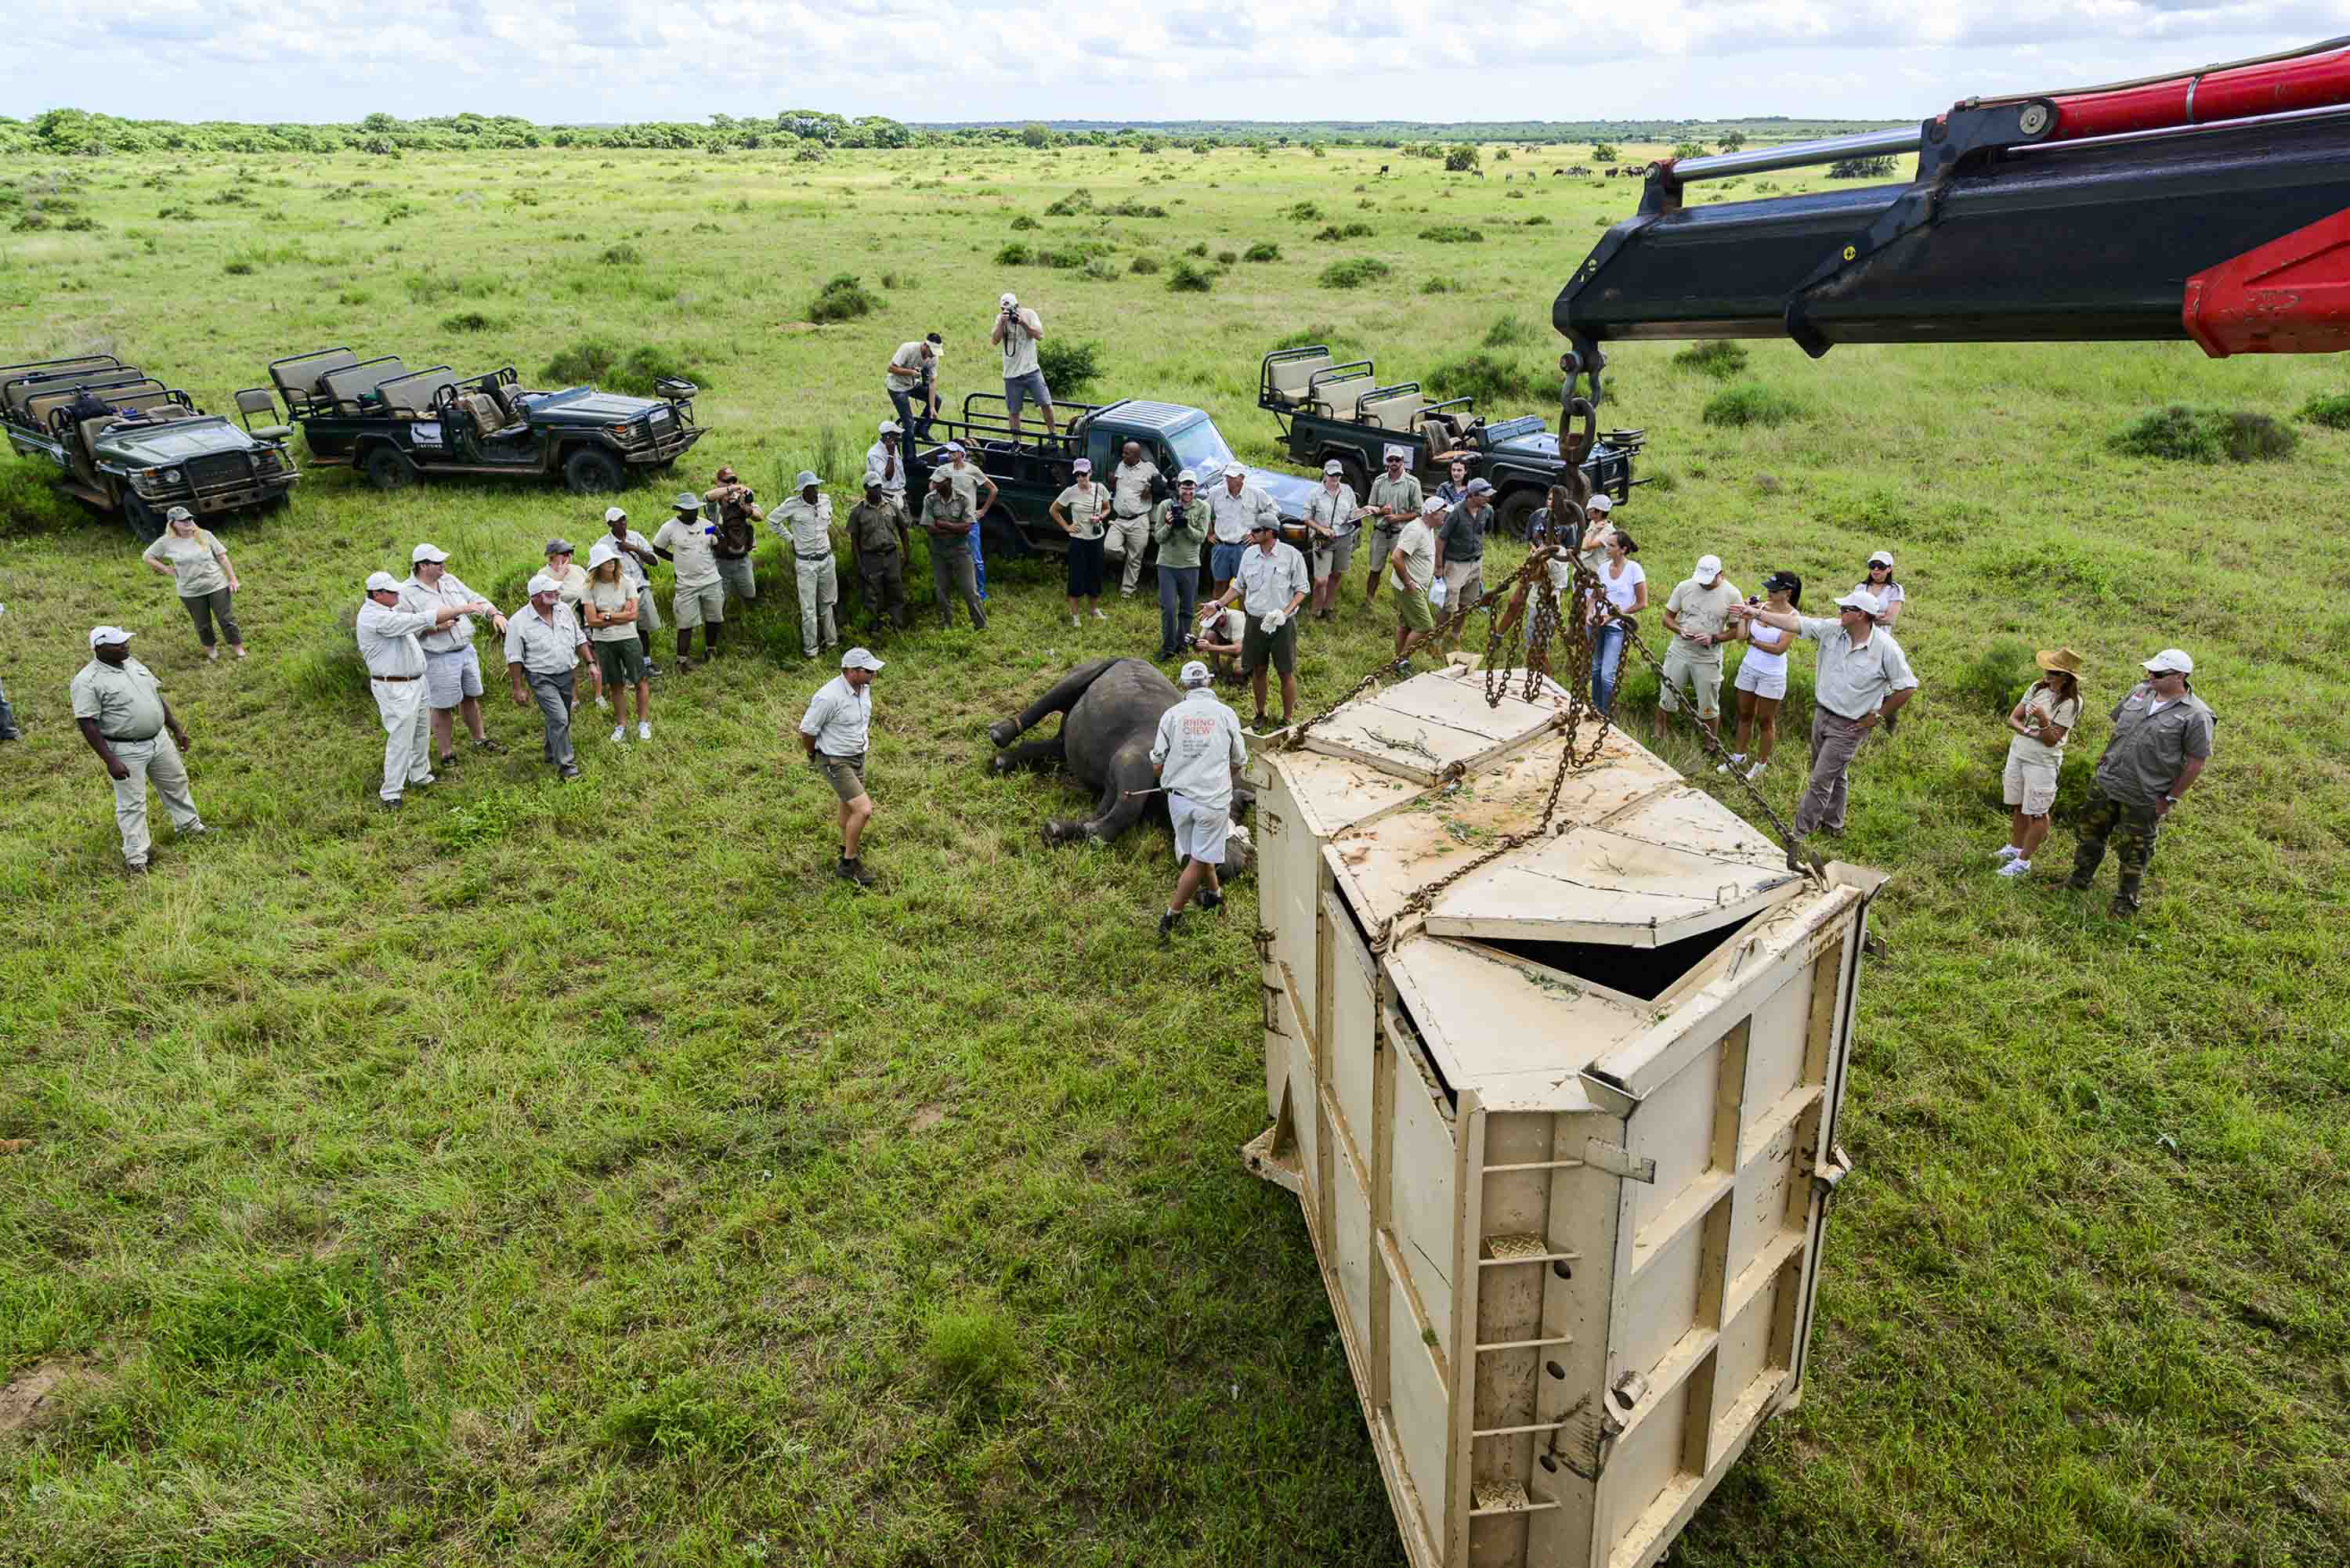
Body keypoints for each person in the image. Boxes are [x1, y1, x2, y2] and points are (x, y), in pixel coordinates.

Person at [1734, 588, 1919, 839]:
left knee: (1820, 780)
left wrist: (1877, 716)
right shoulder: (1832, 629)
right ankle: (1833, 824)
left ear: (1862, 615)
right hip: (1823, 714)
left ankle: (1797, 835)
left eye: (1846, 609)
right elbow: (1795, 622)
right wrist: (1754, 612)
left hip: (1851, 725)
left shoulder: (1886, 648)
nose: (1840, 612)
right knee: (1834, 772)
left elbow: (1907, 686)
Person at [2067, 649, 2213, 916]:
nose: (2150, 676)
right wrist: (2104, 760)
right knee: (2089, 835)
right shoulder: (2140, 692)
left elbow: (2196, 762)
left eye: (2158, 673)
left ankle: (2125, 903)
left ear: (2180, 676)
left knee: (2135, 850)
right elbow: (2119, 730)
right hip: (2108, 781)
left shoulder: (2196, 715)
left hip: (2144, 795)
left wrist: (2170, 798)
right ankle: (2078, 881)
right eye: (2150, 671)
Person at [70, 626, 208, 871]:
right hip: (126, 749)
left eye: (125, 642)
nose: (125, 646)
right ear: (99, 648)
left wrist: (176, 729)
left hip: (159, 739)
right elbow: (87, 724)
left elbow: (155, 697)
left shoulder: (132, 663)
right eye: (118, 644)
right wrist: (110, 759)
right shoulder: (87, 681)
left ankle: (190, 827)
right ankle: (137, 858)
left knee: (176, 783)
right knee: (132, 804)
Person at [358, 569, 479, 807]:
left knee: (421, 732)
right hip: (394, 686)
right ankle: (391, 792)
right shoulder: (375, 617)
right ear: (378, 594)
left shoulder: (389, 610)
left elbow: (414, 629)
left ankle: (420, 775)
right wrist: (460, 609)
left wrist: (438, 627)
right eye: (393, 592)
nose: (398, 595)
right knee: (401, 737)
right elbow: (415, 621)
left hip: (415, 680)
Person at [1151, 659, 1248, 941]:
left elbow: (1157, 761)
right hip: (1212, 802)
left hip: (1179, 801)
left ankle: (1215, 895)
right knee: (1198, 857)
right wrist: (1221, 778)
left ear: (1183, 685)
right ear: (1208, 682)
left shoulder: (1172, 715)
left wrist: (1174, 776)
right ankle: (1170, 917)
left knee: (1202, 850)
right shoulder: (1225, 713)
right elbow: (1239, 760)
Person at [401, 544, 508, 771]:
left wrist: (494, 613)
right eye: (438, 563)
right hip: (438, 656)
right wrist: (435, 628)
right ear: (423, 566)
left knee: (470, 697)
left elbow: (474, 598)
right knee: (441, 706)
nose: (443, 566)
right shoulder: (406, 593)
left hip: (465, 650)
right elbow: (405, 629)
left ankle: (479, 739)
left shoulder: (449, 580)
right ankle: (447, 753)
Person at [1202, 515, 1309, 728]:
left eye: (1257, 531)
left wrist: (1284, 613)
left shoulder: (1291, 556)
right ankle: (1260, 714)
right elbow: (1239, 586)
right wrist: (1218, 604)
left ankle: (1287, 719)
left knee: (1285, 671)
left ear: (1271, 532)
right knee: (1258, 670)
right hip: (1255, 622)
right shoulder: (1249, 555)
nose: (1251, 535)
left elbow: (1302, 589)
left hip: (1282, 624)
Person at [799, 646, 886, 887]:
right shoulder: (828, 696)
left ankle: (846, 844)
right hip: (835, 760)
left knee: (848, 807)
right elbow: (807, 730)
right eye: (868, 671)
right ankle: (849, 864)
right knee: (864, 810)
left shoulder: (863, 688)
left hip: (857, 756)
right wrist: (812, 753)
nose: (873, 675)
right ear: (851, 671)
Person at [1995, 647, 2084, 880]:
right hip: (2019, 753)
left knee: (2037, 812)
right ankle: (2015, 848)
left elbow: (2051, 739)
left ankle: (2023, 861)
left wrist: (2043, 721)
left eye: (2053, 672)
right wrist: (2028, 731)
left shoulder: (2072, 703)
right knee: (2018, 805)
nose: (2047, 674)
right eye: (2047, 669)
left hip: (2042, 762)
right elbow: (2013, 718)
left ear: (2066, 677)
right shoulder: (2037, 688)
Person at [504, 572, 596, 782]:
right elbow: (514, 657)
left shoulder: (563, 610)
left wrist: (590, 663)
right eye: (550, 592)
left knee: (562, 716)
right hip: (541, 677)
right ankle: (566, 766)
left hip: (566, 673)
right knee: (560, 717)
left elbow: (579, 638)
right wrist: (518, 687)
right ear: (536, 597)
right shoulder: (518, 621)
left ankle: (550, 751)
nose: (556, 593)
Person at [1719, 570, 1799, 781]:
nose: (1769, 592)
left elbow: (1779, 648)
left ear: (1788, 592)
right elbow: (1740, 638)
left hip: (1772, 675)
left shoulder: (1793, 618)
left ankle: (1760, 764)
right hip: (1749, 668)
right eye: (1768, 588)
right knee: (1744, 714)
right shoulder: (1759, 607)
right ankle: (1738, 756)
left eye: (1774, 589)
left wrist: (1754, 643)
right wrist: (1744, 617)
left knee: (1765, 720)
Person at [139, 506, 245, 662]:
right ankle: (212, 653)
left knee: (226, 618)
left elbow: (222, 557)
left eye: (189, 518)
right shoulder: (166, 542)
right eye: (183, 520)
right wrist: (167, 570)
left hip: (216, 584)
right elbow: (148, 557)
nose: (188, 522)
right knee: (202, 624)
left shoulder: (205, 535)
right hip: (190, 591)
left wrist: (233, 579)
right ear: (173, 523)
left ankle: (239, 650)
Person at [1655, 553, 1741, 743]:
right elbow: (1667, 618)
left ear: (1721, 575)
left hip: (1707, 657)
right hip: (1680, 650)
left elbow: (1736, 631)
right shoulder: (1685, 587)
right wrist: (1680, 629)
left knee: (1708, 705)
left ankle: (1710, 745)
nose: (1704, 584)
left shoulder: (1733, 595)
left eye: (1708, 581)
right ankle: (1659, 737)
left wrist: (1714, 638)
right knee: (1667, 696)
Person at [1575, 500, 1645, 714]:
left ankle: (1607, 713)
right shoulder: (1604, 568)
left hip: (1616, 626)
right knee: (1595, 669)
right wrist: (1589, 614)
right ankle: (1595, 708)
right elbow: (1595, 596)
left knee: (1607, 674)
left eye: (1612, 546)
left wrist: (1616, 616)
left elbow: (1642, 603)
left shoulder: (1634, 570)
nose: (1607, 548)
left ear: (1623, 549)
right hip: (1597, 623)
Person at [582, 542, 653, 744]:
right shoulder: (589, 588)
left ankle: (643, 722)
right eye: (606, 561)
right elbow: (592, 620)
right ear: (598, 566)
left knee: (640, 680)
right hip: (604, 641)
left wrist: (608, 615)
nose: (611, 563)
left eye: (612, 559)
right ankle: (621, 724)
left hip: (629, 638)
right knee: (615, 685)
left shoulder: (627, 581)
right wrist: (618, 615)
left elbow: (633, 615)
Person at [772, 471, 841, 659]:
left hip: (827, 559)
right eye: (810, 488)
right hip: (806, 563)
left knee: (828, 603)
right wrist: (790, 539)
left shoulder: (825, 500)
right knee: (809, 609)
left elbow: (827, 522)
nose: (814, 492)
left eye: (816, 487)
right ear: (802, 490)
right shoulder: (792, 505)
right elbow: (772, 521)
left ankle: (832, 643)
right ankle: (811, 650)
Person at [652, 491, 725, 667]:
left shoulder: (706, 525)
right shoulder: (669, 528)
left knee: (714, 618)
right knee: (685, 623)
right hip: (686, 584)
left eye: (695, 509)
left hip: (711, 580)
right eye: (688, 510)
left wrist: (720, 535)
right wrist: (674, 559)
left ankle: (710, 650)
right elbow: (657, 548)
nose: (692, 512)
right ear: (680, 510)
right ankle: (682, 660)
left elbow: (717, 544)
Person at [1152, 468, 1211, 659]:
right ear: (1178, 488)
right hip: (1167, 564)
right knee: (1168, 607)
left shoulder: (1203, 508)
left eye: (1191, 488)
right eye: (1184, 488)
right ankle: (1168, 646)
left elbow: (1201, 537)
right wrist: (1170, 525)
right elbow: (1158, 538)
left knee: (1187, 609)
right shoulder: (1165, 506)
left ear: (1195, 489)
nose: (1188, 492)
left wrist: (1184, 524)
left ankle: (1182, 645)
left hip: (1190, 565)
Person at [600, 506, 663, 675]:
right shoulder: (603, 545)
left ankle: (646, 663)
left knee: (643, 628)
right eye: (618, 521)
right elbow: (598, 572)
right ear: (610, 524)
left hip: (642, 590)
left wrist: (633, 548)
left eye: (624, 519)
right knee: (627, 633)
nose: (622, 523)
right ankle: (630, 669)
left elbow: (654, 561)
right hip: (621, 595)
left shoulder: (636, 537)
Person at [921, 468, 987, 630]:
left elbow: (967, 528)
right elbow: (930, 528)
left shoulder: (963, 499)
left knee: (970, 591)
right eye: (935, 482)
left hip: (960, 551)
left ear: (949, 482)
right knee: (942, 591)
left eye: (939, 482)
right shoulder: (930, 500)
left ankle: (981, 626)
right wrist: (954, 528)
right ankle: (946, 626)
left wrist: (944, 525)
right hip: (939, 552)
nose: (935, 485)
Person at [1051, 456, 1112, 627]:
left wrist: (1100, 516)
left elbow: (1108, 508)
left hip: (1096, 539)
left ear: (1090, 473)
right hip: (1078, 540)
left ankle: (1093, 610)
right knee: (1076, 577)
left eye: (1084, 474)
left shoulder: (1100, 489)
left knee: (1095, 575)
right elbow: (1054, 510)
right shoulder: (1071, 491)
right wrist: (1067, 527)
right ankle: (1075, 616)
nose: (1081, 478)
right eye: (1077, 475)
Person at [1206, 462, 1278, 603]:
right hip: (1221, 546)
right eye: (1227, 476)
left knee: (1245, 586)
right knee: (1219, 584)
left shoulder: (1256, 494)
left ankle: (1244, 620)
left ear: (1242, 478)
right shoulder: (1216, 493)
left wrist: (1257, 534)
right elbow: (1204, 512)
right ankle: (1217, 619)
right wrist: (1209, 534)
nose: (1229, 480)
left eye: (1233, 477)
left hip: (1244, 547)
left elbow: (1273, 511)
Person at [1361, 445, 1423, 606]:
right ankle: (1369, 600)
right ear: (1386, 461)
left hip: (1401, 534)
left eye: (1397, 460)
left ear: (1403, 461)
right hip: (1380, 532)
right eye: (1391, 459)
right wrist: (1381, 511)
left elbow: (1418, 512)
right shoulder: (1379, 481)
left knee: (1402, 571)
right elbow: (1370, 508)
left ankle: (1403, 604)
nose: (1394, 463)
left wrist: (1398, 517)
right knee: (1375, 569)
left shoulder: (1412, 483)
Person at [847, 479, 911, 633]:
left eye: (879, 486)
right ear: (866, 488)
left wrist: (906, 553)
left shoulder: (891, 506)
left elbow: (903, 530)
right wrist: (859, 564)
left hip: (891, 556)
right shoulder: (858, 512)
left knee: (896, 592)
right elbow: (854, 540)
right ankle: (876, 632)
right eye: (874, 487)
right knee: (872, 597)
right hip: (871, 558)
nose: (878, 489)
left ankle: (897, 627)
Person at [937, 442, 997, 602]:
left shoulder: (972, 470)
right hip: (951, 520)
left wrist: (983, 511)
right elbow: (933, 485)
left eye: (953, 452)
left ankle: (981, 592)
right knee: (950, 556)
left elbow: (993, 489)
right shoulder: (945, 470)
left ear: (961, 454)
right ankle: (954, 590)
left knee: (976, 559)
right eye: (948, 452)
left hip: (969, 521)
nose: (950, 454)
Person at [1434, 479, 1493, 638]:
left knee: (1466, 604)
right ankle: (1436, 640)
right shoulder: (1456, 512)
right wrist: (1439, 566)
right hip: (1455, 564)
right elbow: (1440, 539)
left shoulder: (1487, 510)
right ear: (1472, 495)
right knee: (1449, 605)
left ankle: (1455, 635)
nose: (1488, 499)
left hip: (1475, 563)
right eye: (1484, 496)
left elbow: (1485, 531)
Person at [1302, 459, 1361, 620]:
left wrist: (1363, 511)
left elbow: (1352, 513)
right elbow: (1306, 518)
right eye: (1332, 474)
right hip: (1323, 540)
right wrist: (1322, 529)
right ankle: (1315, 611)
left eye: (1338, 475)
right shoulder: (1315, 494)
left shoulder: (1347, 491)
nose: (1335, 478)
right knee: (1321, 579)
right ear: (1325, 474)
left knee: (1336, 574)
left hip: (1344, 538)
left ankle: (1329, 608)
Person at [1387, 497, 1443, 665]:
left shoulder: (1429, 528)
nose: (1444, 516)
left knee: (1405, 625)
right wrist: (1409, 583)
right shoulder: (1416, 531)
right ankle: (1401, 662)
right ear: (1432, 513)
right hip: (1409, 587)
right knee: (1425, 627)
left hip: (1416, 585)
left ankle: (1398, 660)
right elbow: (1396, 557)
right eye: (1442, 513)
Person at [991, 291, 1054, 439]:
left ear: (1017, 306)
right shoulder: (1000, 319)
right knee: (1013, 410)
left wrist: (1023, 323)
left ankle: (1053, 435)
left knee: (1045, 402)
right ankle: (1016, 441)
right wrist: (1002, 323)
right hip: (1011, 373)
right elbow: (994, 341)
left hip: (1031, 369)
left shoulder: (1030, 314)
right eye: (1003, 310)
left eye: (1010, 309)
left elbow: (1039, 335)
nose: (1006, 313)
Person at [1106, 439, 1161, 599]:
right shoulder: (1119, 466)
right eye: (1123, 452)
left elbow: (1162, 485)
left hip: (1139, 519)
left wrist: (1151, 490)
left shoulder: (1148, 468)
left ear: (1137, 455)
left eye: (1126, 453)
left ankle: (1127, 593)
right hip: (1120, 520)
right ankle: (1121, 564)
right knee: (1110, 548)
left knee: (1135, 558)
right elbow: (1112, 481)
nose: (1123, 455)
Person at [704, 465, 763, 608]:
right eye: (726, 481)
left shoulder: (741, 500)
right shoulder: (715, 505)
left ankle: (748, 623)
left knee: (750, 597)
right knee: (719, 602)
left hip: (743, 560)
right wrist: (733, 489)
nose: (731, 484)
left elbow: (759, 517)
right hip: (720, 561)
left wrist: (745, 508)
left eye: (733, 481)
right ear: (717, 483)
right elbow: (707, 496)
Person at [884, 333, 942, 441]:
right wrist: (910, 372)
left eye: (935, 353)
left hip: (912, 384)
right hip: (897, 387)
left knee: (937, 400)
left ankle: (921, 430)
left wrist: (932, 407)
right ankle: (909, 455)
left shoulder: (934, 358)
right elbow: (891, 368)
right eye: (931, 352)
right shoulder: (908, 348)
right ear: (925, 345)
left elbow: (932, 381)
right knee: (908, 422)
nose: (932, 355)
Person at [864, 421, 910, 517]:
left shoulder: (893, 447)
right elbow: (888, 476)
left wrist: (892, 452)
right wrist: (891, 454)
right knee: (889, 526)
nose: (900, 437)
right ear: (888, 437)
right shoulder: (874, 454)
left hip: (900, 493)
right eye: (897, 435)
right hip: (886, 496)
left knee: (906, 524)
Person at [1195, 602, 1249, 682]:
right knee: (1210, 635)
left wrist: (1211, 647)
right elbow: (1199, 646)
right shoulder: (1210, 618)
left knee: (1238, 669)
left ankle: (1243, 677)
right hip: (1231, 644)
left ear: (1222, 617)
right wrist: (1195, 644)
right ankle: (1216, 669)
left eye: (1214, 624)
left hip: (1247, 648)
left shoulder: (1236, 618)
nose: (1212, 626)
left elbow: (1238, 648)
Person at [541, 539, 589, 619]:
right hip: (563, 623)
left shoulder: (578, 570)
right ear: (552, 556)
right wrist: (560, 576)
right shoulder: (543, 575)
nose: (569, 556)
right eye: (565, 553)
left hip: (587, 623)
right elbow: (545, 602)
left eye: (571, 552)